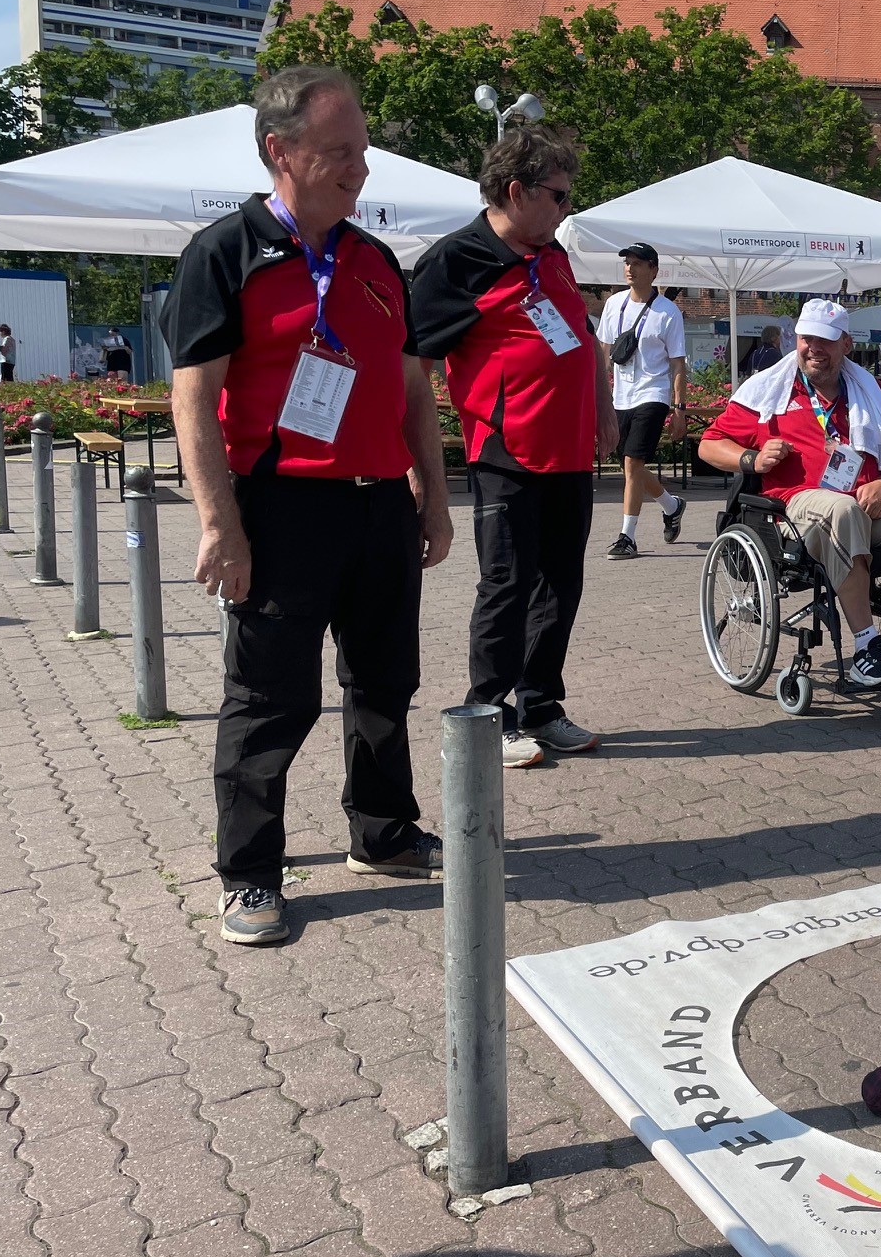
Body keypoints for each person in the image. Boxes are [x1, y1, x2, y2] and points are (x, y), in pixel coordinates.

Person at [163, 66, 453, 948]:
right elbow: (192, 398)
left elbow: (412, 391)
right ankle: (250, 872)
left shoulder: (374, 263)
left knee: (384, 683)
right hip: (282, 508)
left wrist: (433, 498)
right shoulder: (224, 252)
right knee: (269, 698)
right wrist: (222, 522)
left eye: (362, 153)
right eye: (338, 154)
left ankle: (384, 832)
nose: (357, 171)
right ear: (278, 151)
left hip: (378, 509)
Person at [409, 124, 607, 770]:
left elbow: (581, 339)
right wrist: (418, 465)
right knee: (507, 586)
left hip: (571, 454)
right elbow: (414, 364)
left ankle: (543, 706)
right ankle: (490, 712)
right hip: (507, 454)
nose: (566, 209)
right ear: (516, 191)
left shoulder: (552, 254)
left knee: (562, 586)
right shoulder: (457, 259)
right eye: (559, 196)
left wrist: (603, 415)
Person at [697, 298, 881, 686]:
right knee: (841, 509)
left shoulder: (871, 393)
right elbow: (709, 445)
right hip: (797, 510)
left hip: (869, 503)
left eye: (825, 340)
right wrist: (753, 459)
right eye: (806, 338)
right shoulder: (768, 391)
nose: (814, 348)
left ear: (846, 344)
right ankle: (866, 647)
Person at [596, 243, 687, 558]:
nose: (630, 269)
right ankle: (671, 506)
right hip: (621, 396)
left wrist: (679, 409)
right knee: (629, 466)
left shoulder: (667, 312)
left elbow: (677, 363)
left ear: (654, 270)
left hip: (653, 393)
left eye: (637, 263)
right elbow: (604, 353)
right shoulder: (614, 304)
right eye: (627, 263)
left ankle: (627, 537)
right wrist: (597, 394)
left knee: (633, 463)